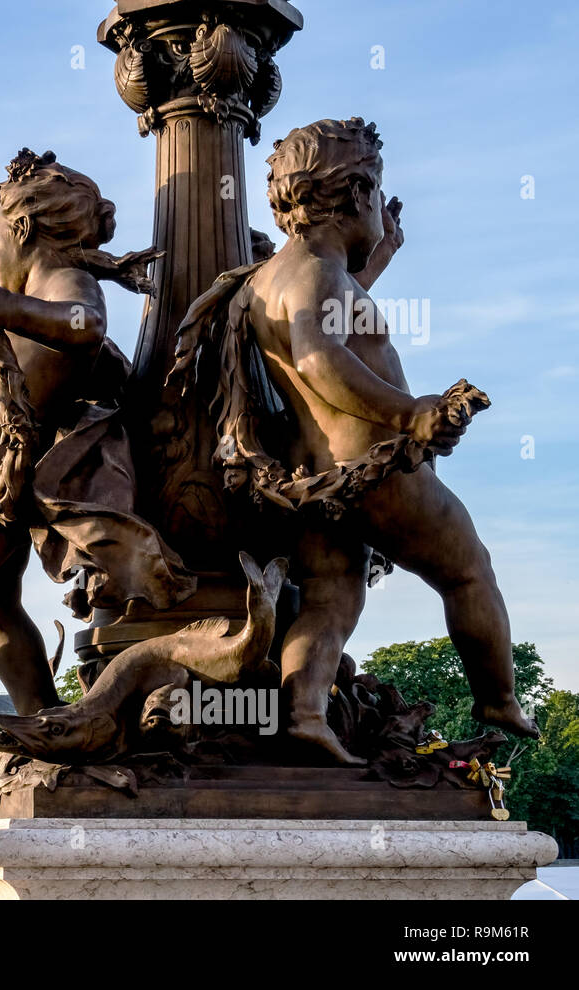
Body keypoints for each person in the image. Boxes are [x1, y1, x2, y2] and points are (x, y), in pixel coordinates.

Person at [199, 117, 537, 763]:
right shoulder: (318, 272)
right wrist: (411, 413)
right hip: (377, 468)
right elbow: (321, 356)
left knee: (331, 593)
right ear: (357, 194)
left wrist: (379, 259)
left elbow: (329, 319)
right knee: (468, 572)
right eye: (378, 196)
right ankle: (497, 699)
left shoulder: (277, 275)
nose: (380, 209)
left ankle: (305, 710)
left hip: (312, 479)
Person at [0, 149, 192, 785]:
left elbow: (87, 322)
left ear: (23, 233)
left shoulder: (62, 284)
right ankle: (45, 718)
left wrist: (3, 308)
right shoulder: (39, 288)